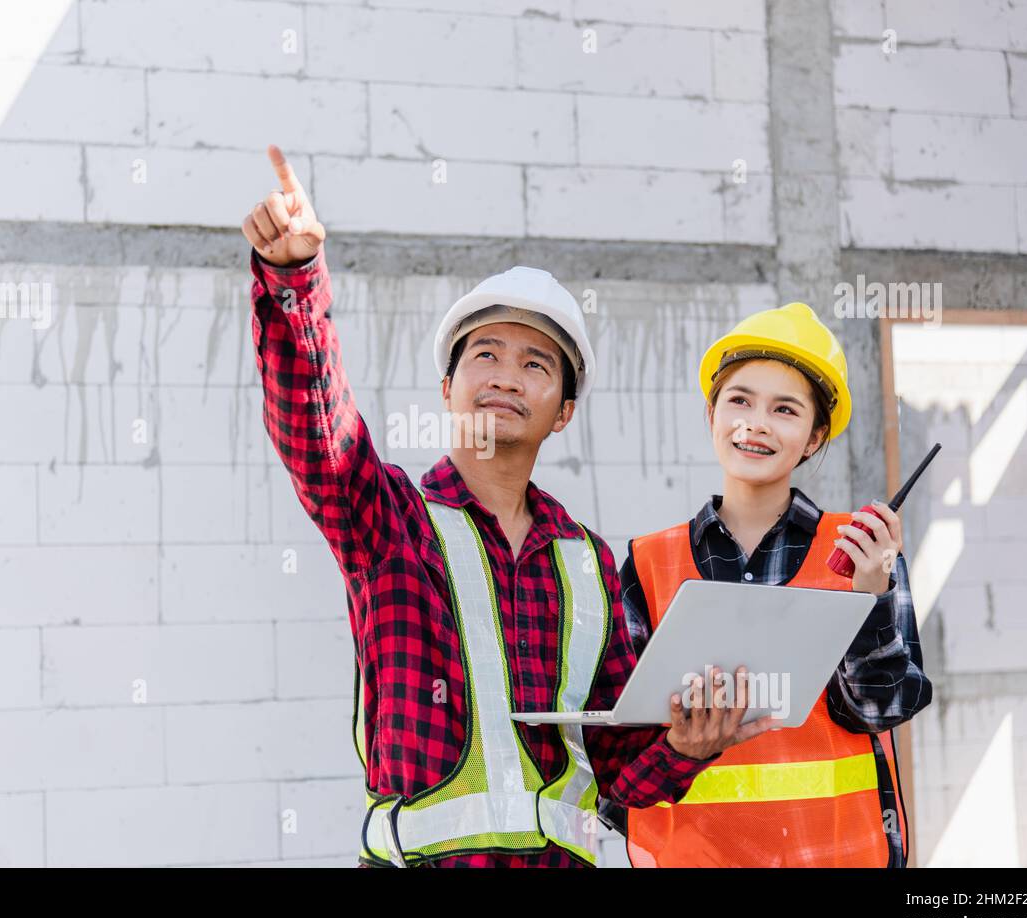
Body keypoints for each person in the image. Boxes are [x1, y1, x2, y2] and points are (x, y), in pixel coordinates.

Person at [242, 145, 775, 867]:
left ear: (562, 412)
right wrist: (294, 282)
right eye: (485, 355)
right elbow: (316, 430)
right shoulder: (391, 521)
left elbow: (618, 768)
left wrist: (686, 745)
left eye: (535, 364)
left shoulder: (586, 560)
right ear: (448, 388)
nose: (505, 377)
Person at [611, 302, 933, 867]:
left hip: (836, 855)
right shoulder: (647, 562)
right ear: (711, 414)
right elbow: (622, 761)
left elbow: (884, 709)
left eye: (785, 409)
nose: (756, 423)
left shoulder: (862, 551)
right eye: (739, 400)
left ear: (813, 437)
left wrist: (869, 597)